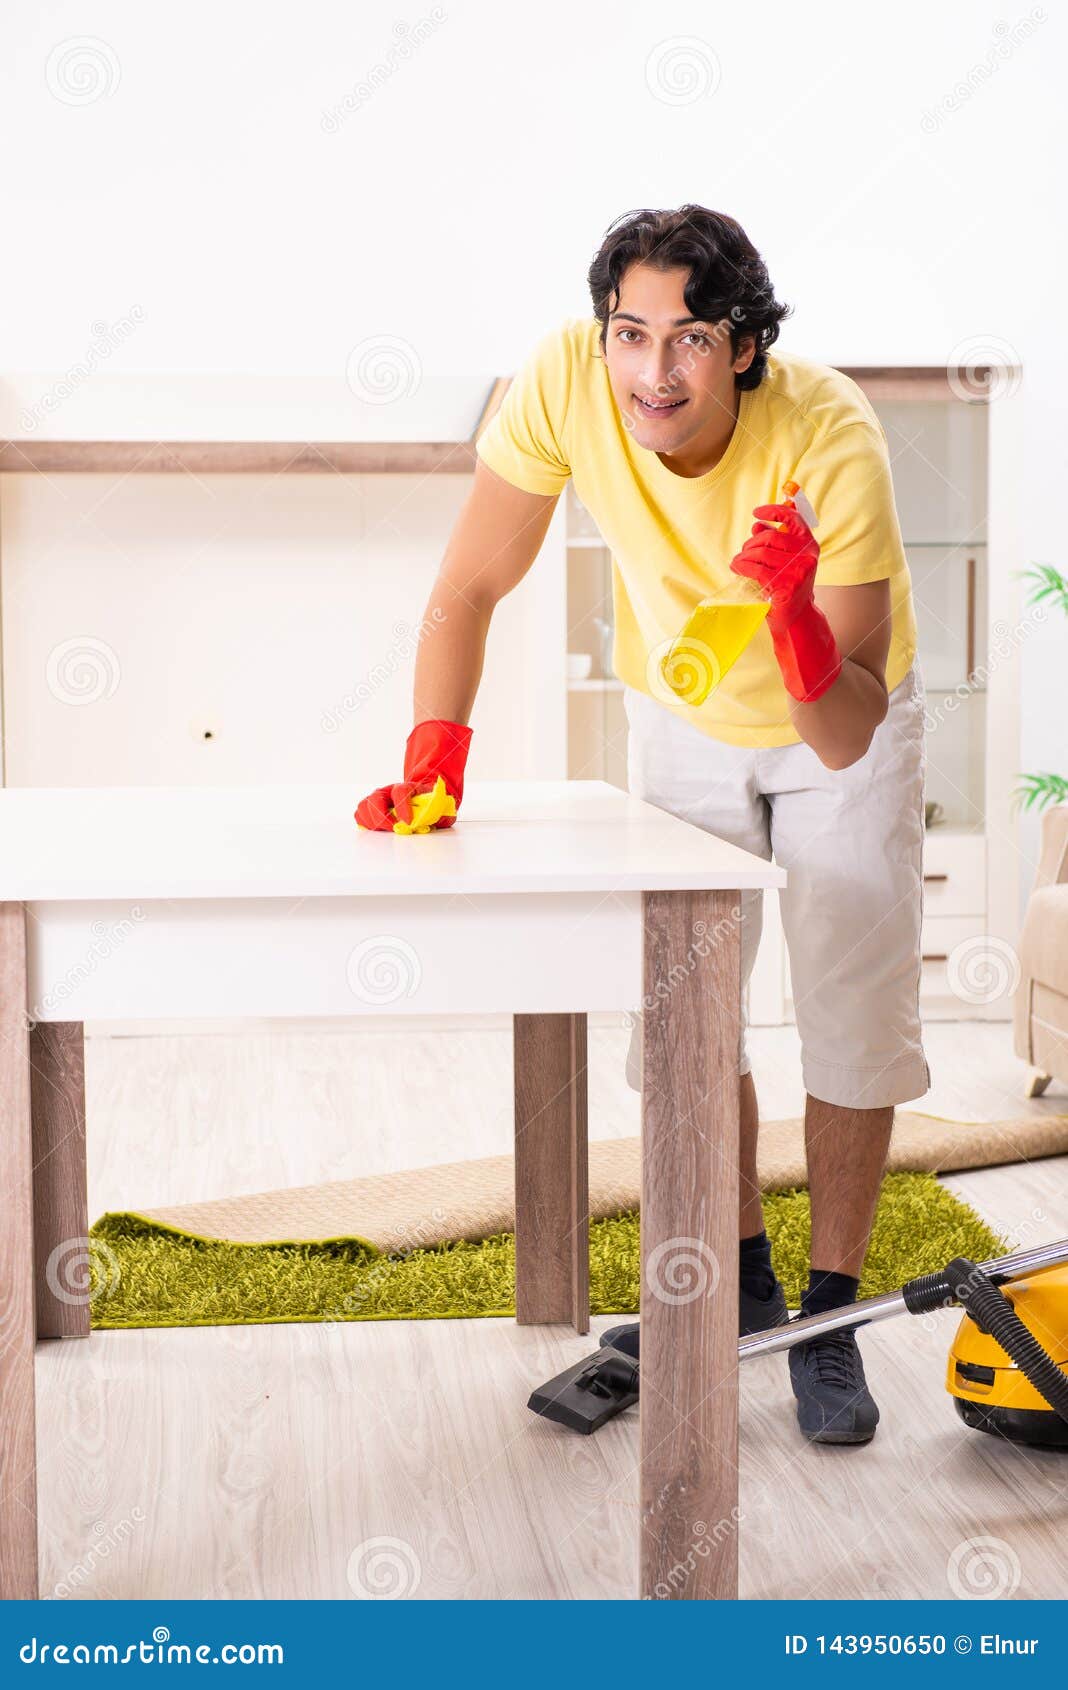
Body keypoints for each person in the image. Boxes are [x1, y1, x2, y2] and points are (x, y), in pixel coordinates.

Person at [355, 204, 931, 1446]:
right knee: (687, 1007)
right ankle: (735, 1288)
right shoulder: (564, 380)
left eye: (688, 339)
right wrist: (435, 753)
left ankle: (827, 1316)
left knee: (852, 1008)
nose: (651, 372)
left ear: (742, 346)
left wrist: (791, 616)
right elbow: (468, 583)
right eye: (630, 333)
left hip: (836, 702)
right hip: (685, 713)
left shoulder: (827, 433)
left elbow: (848, 725)